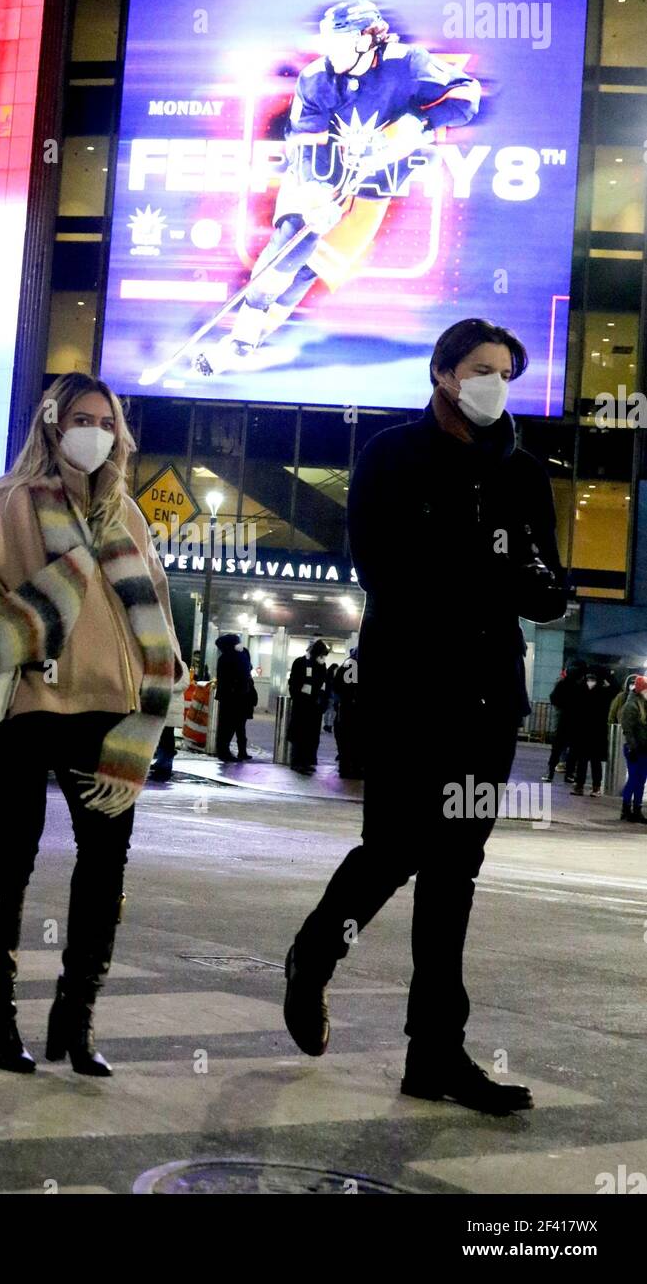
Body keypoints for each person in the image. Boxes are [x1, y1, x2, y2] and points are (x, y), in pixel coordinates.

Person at [283, 317, 566, 1115]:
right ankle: (313, 954)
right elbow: (385, 568)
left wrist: (518, 571)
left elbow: (547, 591)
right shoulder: (391, 457)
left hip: (486, 700)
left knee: (454, 872)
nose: (493, 384)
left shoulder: (524, 475)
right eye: (480, 368)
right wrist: (490, 563)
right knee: (395, 847)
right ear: (442, 373)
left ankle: (433, 1054)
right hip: (408, 691)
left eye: (505, 372)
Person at [0, 374, 187, 1076]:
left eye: (106, 420)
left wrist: (155, 696)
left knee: (105, 868)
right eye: (81, 417)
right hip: (24, 712)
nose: (94, 431)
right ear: (50, 423)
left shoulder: (126, 515)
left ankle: (76, 1019)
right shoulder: (7, 504)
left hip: (111, 718)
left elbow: (156, 614)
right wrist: (29, 624)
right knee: (7, 861)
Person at [197, 0, 480, 376]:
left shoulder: (407, 62)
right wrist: (316, 194)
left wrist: (419, 124)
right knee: (295, 239)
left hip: (373, 189)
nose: (331, 49)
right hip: (321, 172)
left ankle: (245, 345)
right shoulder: (316, 77)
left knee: (308, 270)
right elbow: (304, 142)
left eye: (341, 39)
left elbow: (467, 96)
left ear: (368, 38)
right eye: (328, 39)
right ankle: (244, 330)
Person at [569, 666, 615, 796]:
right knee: (586, 761)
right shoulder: (588, 691)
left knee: (592, 762)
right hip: (589, 732)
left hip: (594, 733)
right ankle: (585, 786)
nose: (590, 681)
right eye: (589, 678)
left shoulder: (599, 692)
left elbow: (615, 688)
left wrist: (608, 676)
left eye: (592, 679)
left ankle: (592, 787)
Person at [287, 640, 330, 774]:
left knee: (311, 736)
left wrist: (322, 702)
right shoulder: (300, 662)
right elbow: (293, 684)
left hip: (315, 708)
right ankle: (297, 762)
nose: (323, 658)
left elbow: (324, 685)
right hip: (302, 706)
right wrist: (299, 697)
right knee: (300, 734)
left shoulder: (321, 666)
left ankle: (307, 761)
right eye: (322, 654)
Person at [214, 632, 257, 762]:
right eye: (236, 642)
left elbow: (247, 671)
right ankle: (224, 751)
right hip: (232, 698)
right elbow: (228, 679)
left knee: (239, 724)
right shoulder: (228, 658)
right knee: (228, 725)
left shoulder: (241, 655)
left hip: (240, 697)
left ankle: (241, 751)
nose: (240, 645)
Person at [542, 660, 584, 782]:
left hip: (562, 721)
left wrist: (562, 706)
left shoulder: (562, 684)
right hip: (575, 722)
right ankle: (569, 774)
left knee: (556, 749)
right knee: (573, 751)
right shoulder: (580, 687)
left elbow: (553, 698)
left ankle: (550, 773)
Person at [619, 675, 647, 823]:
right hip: (634, 748)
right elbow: (628, 730)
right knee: (634, 779)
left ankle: (637, 809)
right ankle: (626, 809)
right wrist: (633, 747)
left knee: (641, 779)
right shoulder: (631, 705)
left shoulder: (643, 703)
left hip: (643, 748)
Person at [333, 646, 362, 779]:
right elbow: (354, 687)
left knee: (346, 740)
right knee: (355, 740)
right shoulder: (355, 665)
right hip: (354, 710)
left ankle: (345, 768)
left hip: (345, 708)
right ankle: (353, 769)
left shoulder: (347, 663)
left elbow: (337, 685)